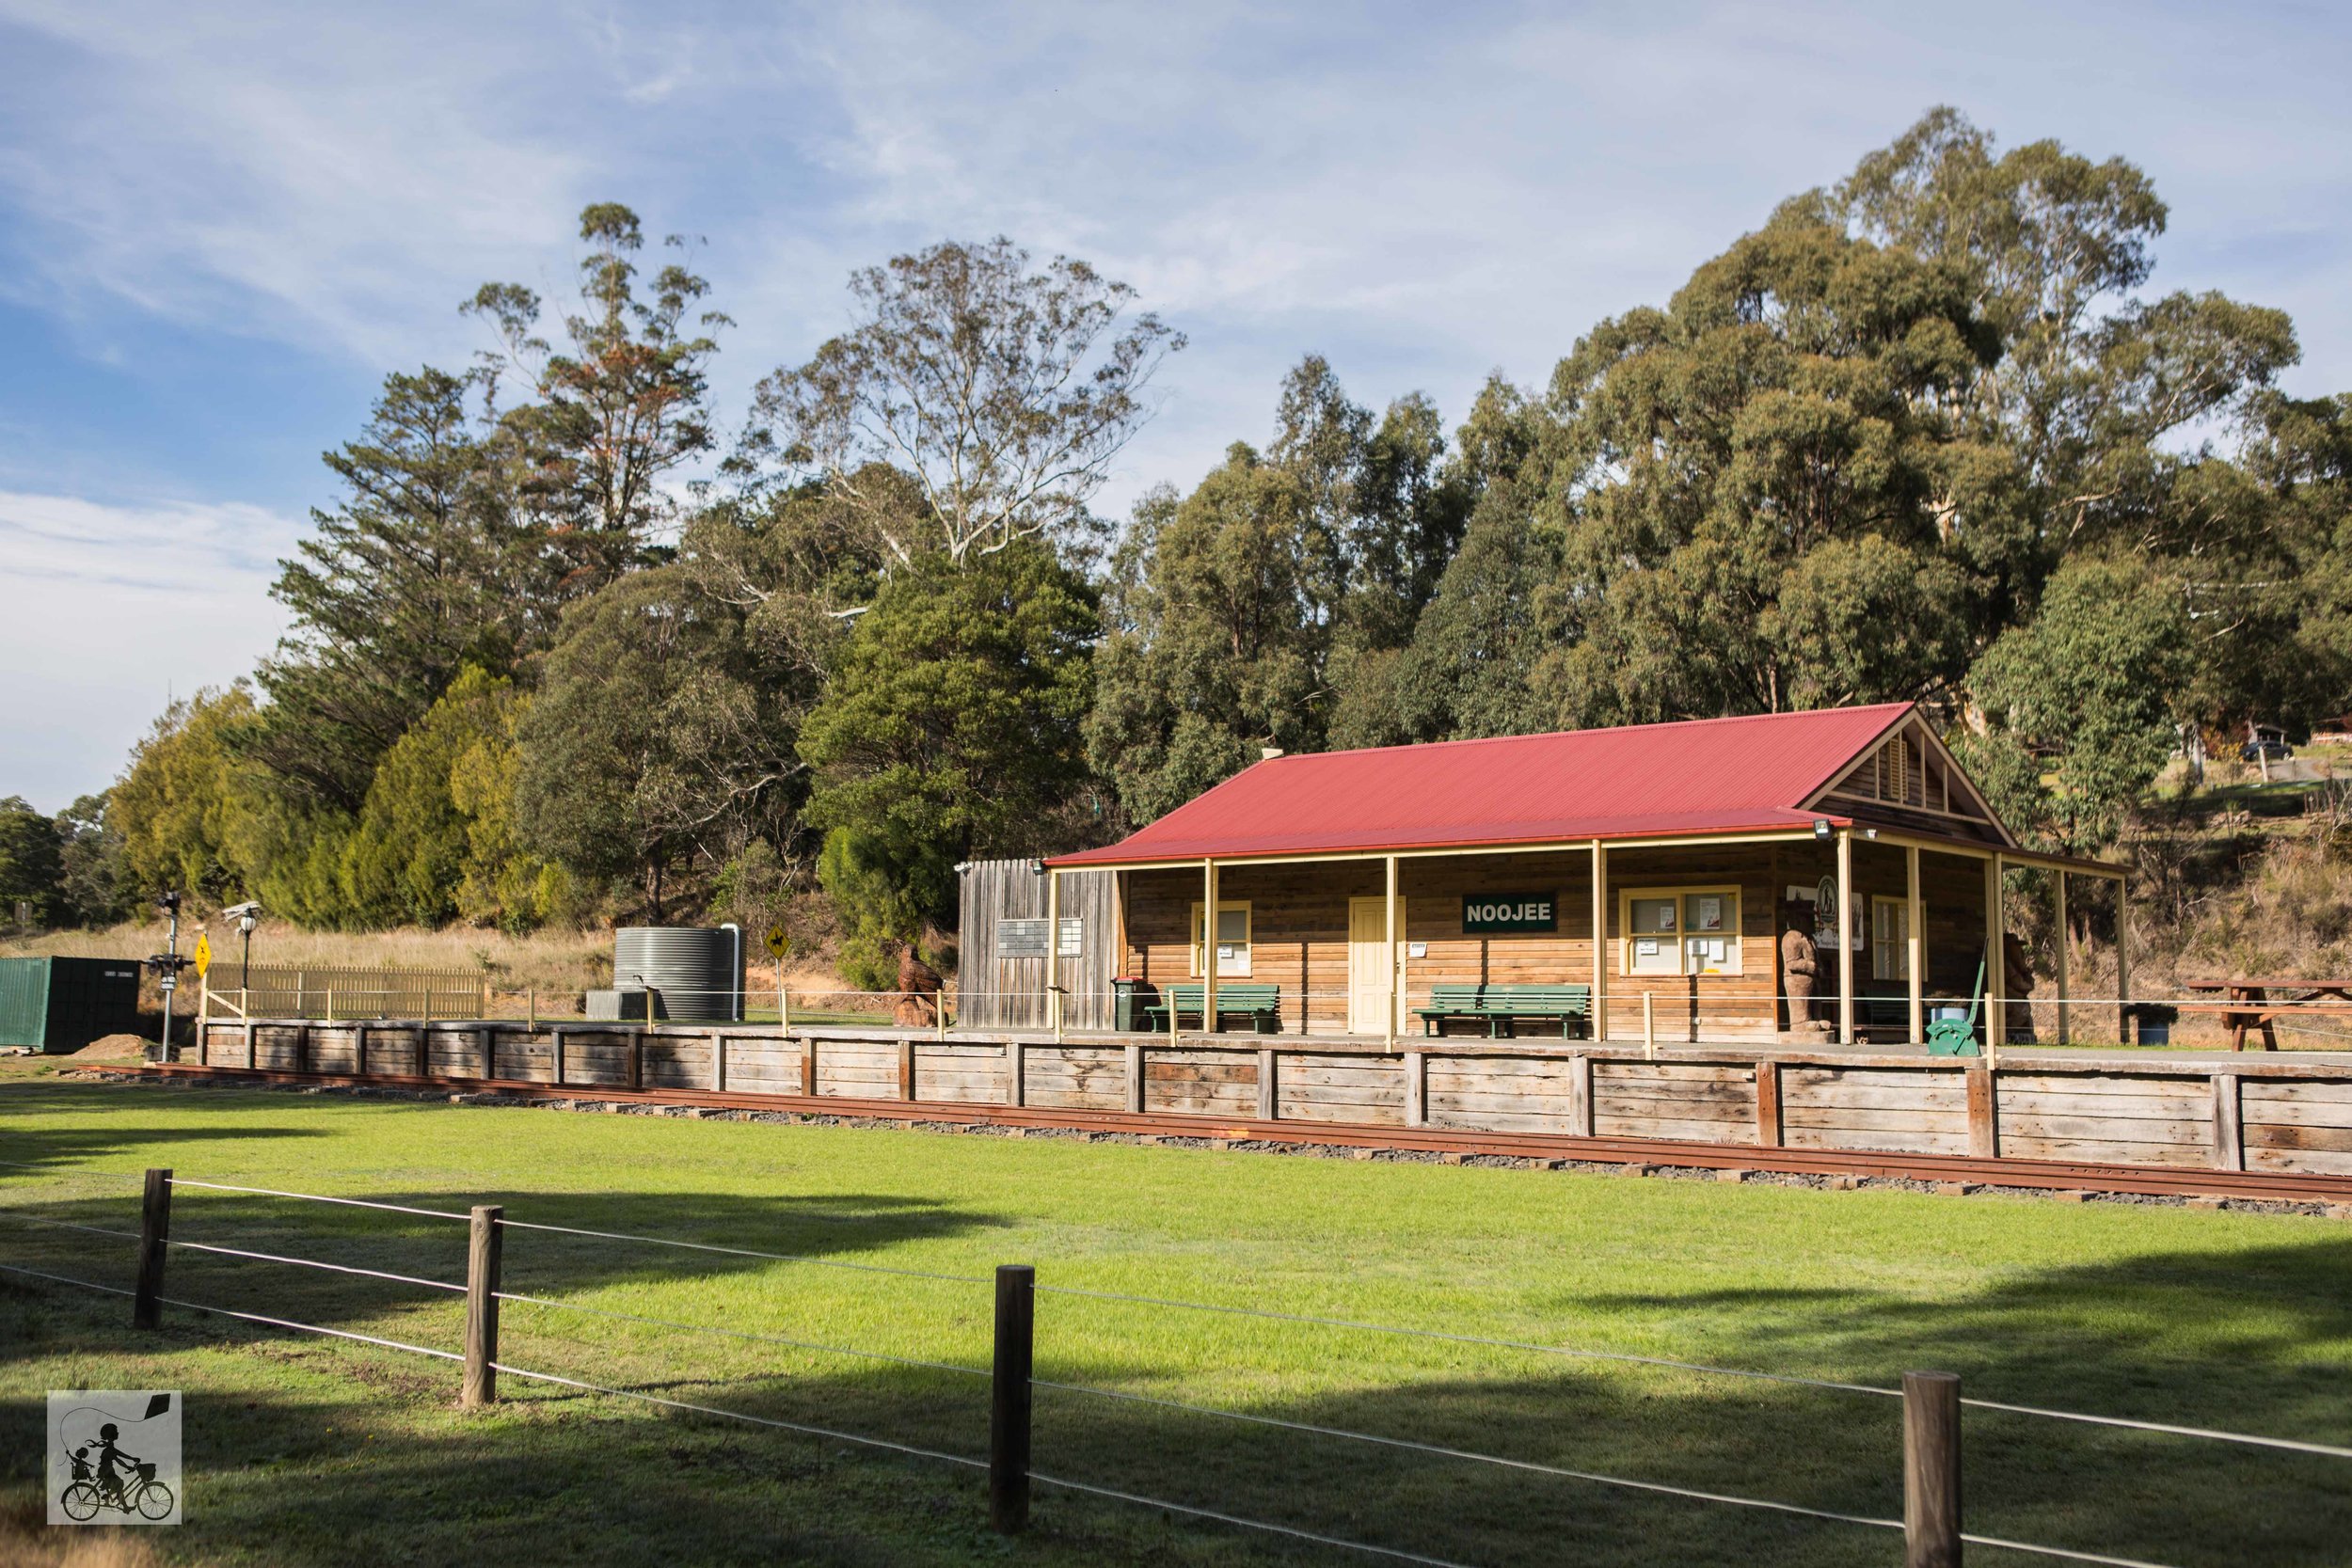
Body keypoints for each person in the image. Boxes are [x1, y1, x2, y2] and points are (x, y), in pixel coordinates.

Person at [93, 1423, 143, 1506]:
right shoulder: (110, 1448)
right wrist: (130, 1461)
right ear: (111, 1434)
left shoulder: (110, 1447)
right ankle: (107, 1497)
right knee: (120, 1483)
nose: (118, 1433)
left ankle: (125, 1507)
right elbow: (119, 1457)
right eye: (116, 1431)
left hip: (108, 1470)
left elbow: (118, 1457)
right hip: (106, 1470)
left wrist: (130, 1462)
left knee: (120, 1486)